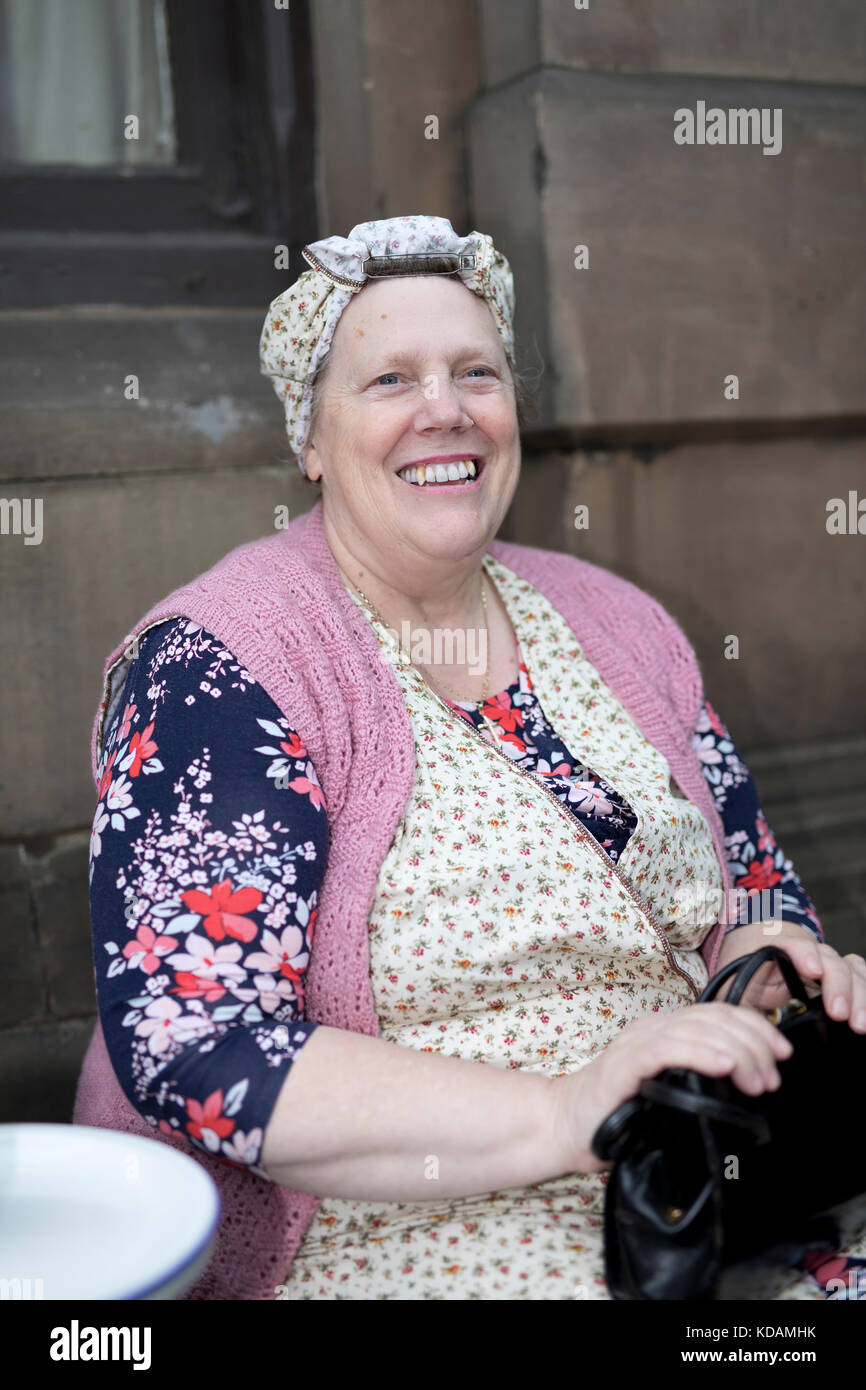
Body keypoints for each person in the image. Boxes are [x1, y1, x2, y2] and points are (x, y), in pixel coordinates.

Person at [74, 215, 866, 1301]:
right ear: (310, 440)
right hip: (394, 1219)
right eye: (389, 378)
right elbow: (195, 1046)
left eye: (475, 373)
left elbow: (755, 880)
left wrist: (771, 955)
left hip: (691, 1176)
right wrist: (561, 1110)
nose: (442, 408)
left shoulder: (618, 620)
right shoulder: (223, 665)